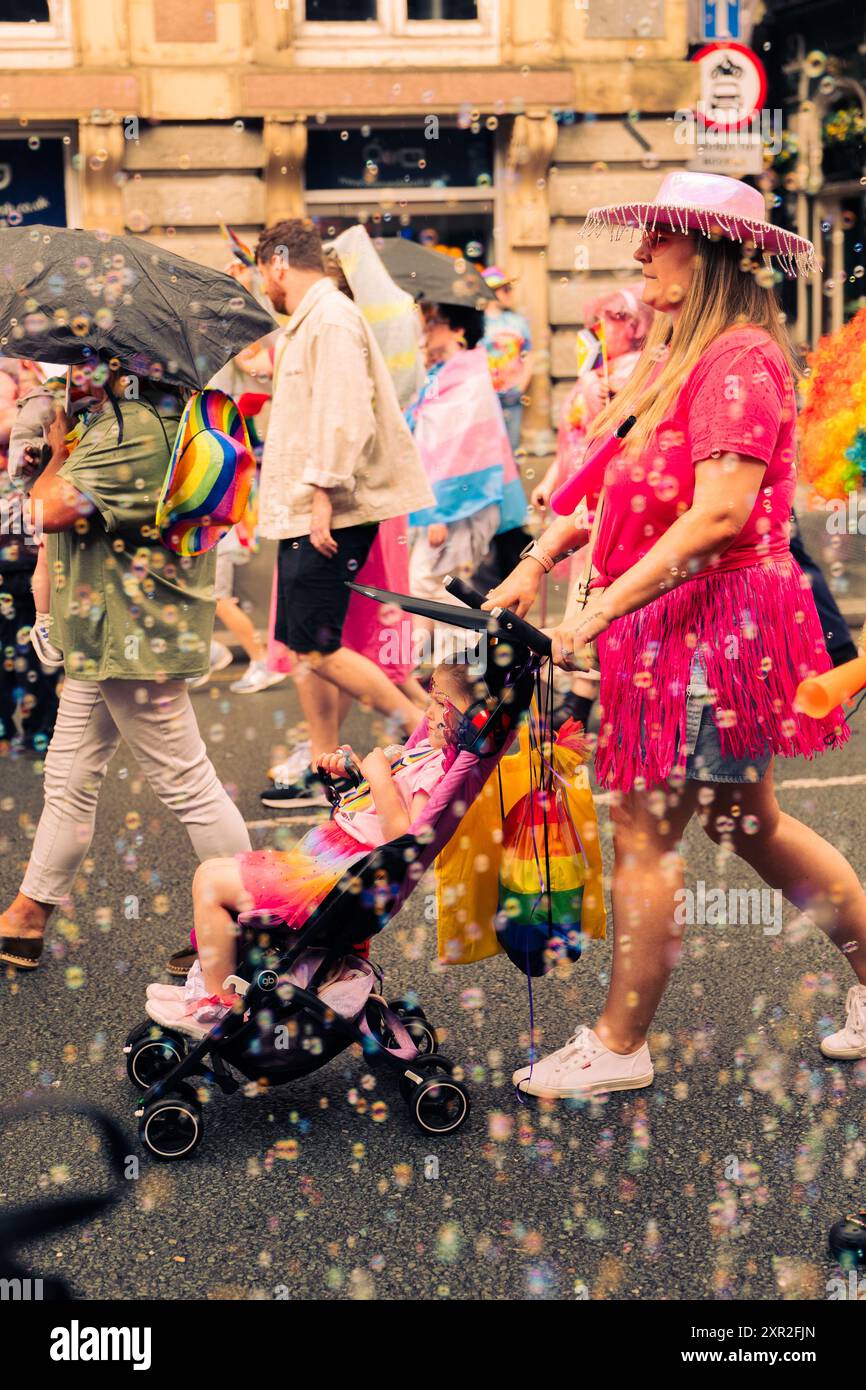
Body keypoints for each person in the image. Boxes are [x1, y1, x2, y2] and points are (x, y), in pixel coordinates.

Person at [484, 171, 866, 1097]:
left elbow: (719, 517)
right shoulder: (675, 356)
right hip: (683, 626)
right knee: (746, 823)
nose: (642, 251)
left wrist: (600, 608)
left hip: (712, 627)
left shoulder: (739, 360)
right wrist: (539, 562)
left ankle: (619, 1046)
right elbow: (614, 484)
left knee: (648, 834)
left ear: (712, 252)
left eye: (661, 235)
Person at [0, 370, 252, 970]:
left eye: (89, 353)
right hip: (108, 629)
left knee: (187, 782)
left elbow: (46, 512)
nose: (77, 369)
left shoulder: (135, 428)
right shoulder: (132, 418)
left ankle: (251, 925)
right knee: (68, 774)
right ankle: (26, 917)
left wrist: (59, 453)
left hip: (132, 634)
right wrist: (58, 450)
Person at [144, 659, 479, 1037]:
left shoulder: (438, 772)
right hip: (334, 862)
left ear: (465, 718)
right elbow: (377, 808)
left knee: (209, 882)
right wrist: (355, 775)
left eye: (439, 704)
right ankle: (213, 987)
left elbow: (404, 836)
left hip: (340, 877)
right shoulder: (428, 755)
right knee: (215, 875)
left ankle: (218, 1006)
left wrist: (380, 775)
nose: (428, 711)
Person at [254, 219, 434, 808]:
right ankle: (368, 744)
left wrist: (325, 494)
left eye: (263, 273)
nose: (264, 286)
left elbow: (344, 413)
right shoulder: (313, 321)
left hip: (325, 508)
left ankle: (423, 730)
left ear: (279, 262)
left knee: (316, 645)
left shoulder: (329, 318)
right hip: (309, 507)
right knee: (309, 641)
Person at [531, 285, 655, 730]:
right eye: (593, 322)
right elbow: (575, 444)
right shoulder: (600, 374)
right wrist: (550, 481)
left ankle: (582, 704)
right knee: (590, 600)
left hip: (605, 508)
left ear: (632, 324)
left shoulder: (631, 376)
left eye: (605, 321)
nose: (594, 330)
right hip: (588, 502)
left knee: (593, 600)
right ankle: (587, 700)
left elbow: (606, 445)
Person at [406, 299, 526, 652]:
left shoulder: (467, 378)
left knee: (434, 585)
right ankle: (431, 668)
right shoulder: (448, 373)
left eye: (433, 323)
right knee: (429, 586)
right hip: (442, 504)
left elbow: (458, 453)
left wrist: (439, 513)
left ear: (458, 330)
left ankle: (472, 660)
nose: (426, 331)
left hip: (457, 505)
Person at [0, 359, 60, 755]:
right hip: (11, 541)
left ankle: (41, 727)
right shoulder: (36, 397)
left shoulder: (42, 399)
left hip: (30, 541)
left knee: (39, 641)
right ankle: (8, 727)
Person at [481, 266, 534, 455]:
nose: (509, 293)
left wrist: (521, 387)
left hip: (512, 396)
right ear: (491, 292)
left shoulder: (517, 321)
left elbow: (528, 354)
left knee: (511, 451)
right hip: (485, 397)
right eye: (505, 289)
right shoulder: (478, 323)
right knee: (488, 452)